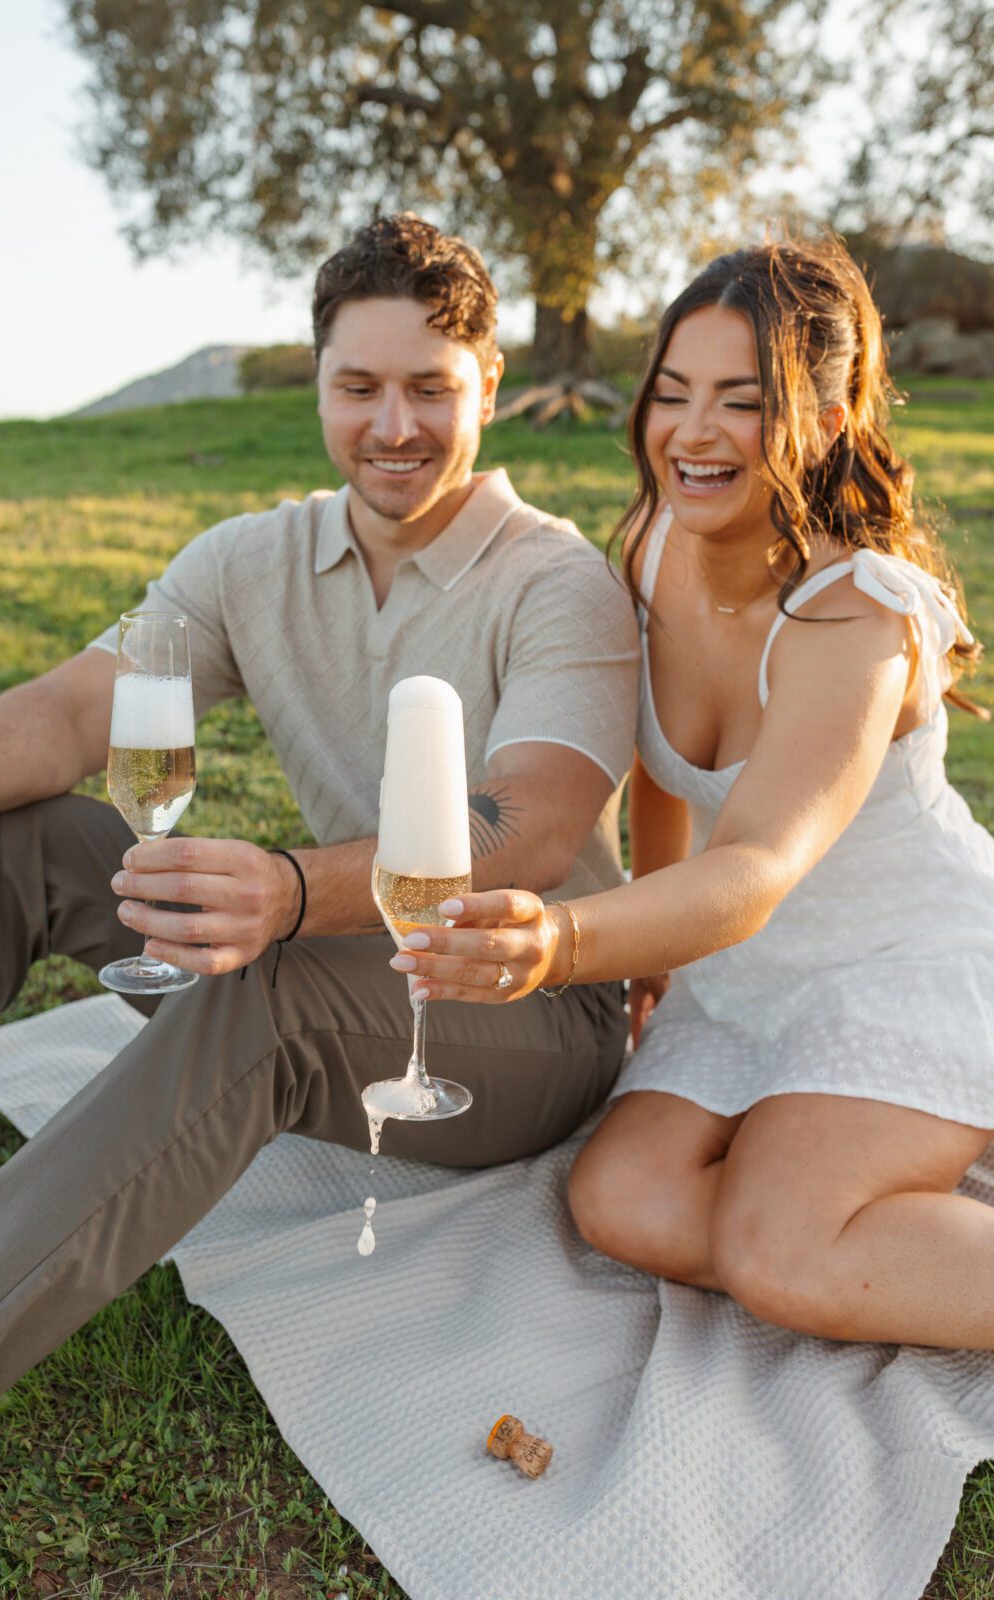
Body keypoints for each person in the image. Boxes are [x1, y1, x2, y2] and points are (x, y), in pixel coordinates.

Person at [0, 214, 638, 1446]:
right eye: (358, 386)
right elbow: (77, 711)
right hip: (336, 945)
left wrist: (292, 892)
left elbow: (527, 825)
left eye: (429, 388)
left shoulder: (553, 581)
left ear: (489, 388)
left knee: (273, 994)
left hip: (521, 1008)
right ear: (317, 382)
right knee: (18, 829)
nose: (393, 426)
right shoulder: (252, 560)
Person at [394, 232, 994, 1351]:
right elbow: (659, 785)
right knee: (619, 1203)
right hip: (744, 975)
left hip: (903, 962)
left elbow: (755, 863)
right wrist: (655, 952)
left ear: (821, 421)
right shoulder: (652, 547)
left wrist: (563, 940)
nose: (692, 432)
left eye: (740, 401)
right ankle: (878, 1215)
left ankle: (847, 1213)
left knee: (776, 1251)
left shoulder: (855, 616)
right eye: (671, 395)